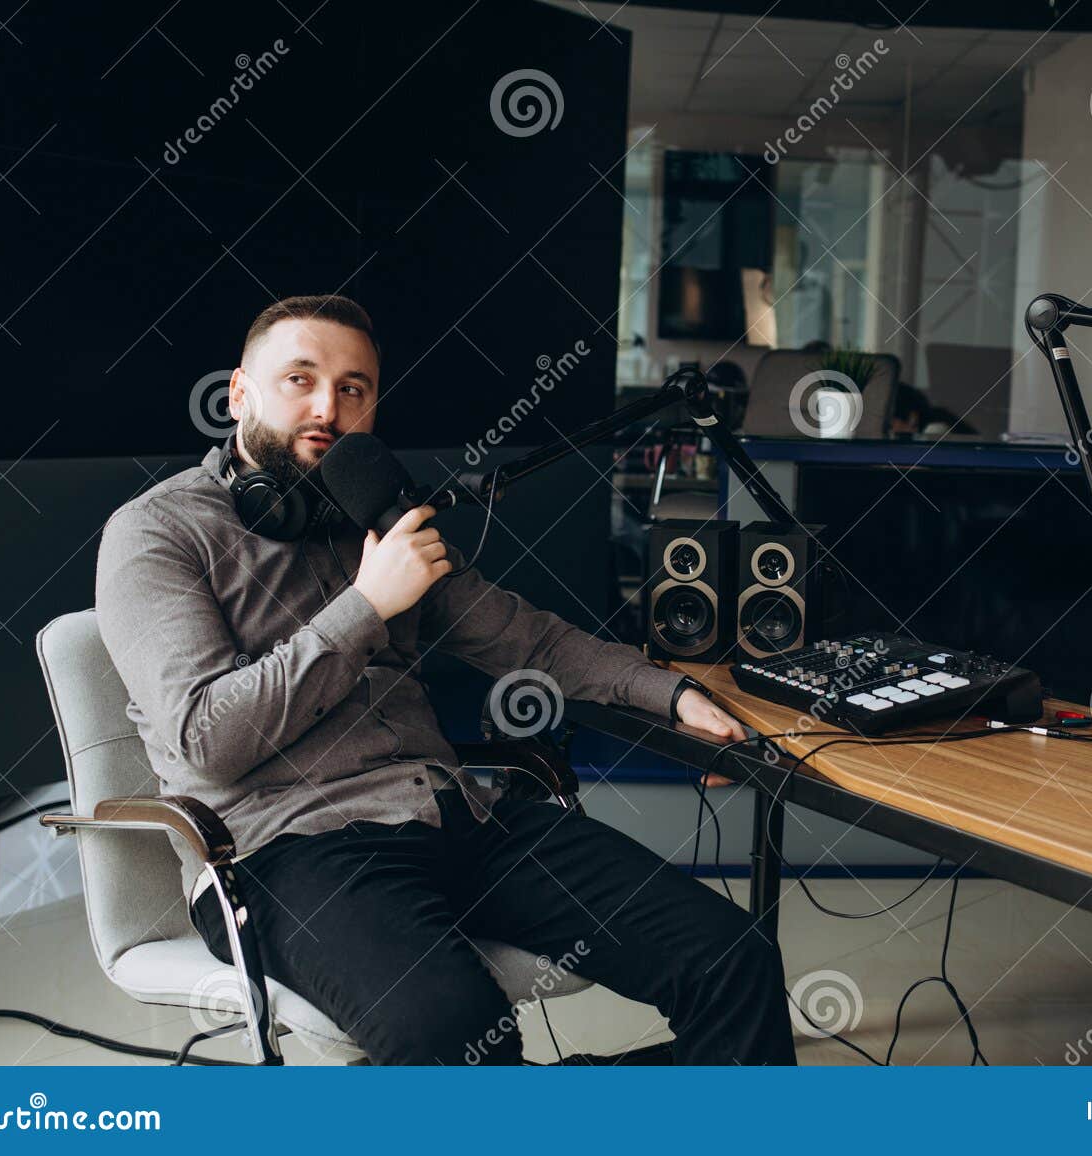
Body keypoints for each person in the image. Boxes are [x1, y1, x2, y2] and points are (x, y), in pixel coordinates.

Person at [95, 295, 797, 1065]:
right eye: (300, 379)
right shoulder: (156, 532)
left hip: (453, 812)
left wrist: (671, 692)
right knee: (452, 1032)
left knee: (731, 956)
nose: (328, 407)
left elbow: (527, 638)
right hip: (286, 850)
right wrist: (366, 605)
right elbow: (206, 740)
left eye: (354, 388)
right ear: (238, 394)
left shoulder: (374, 518)